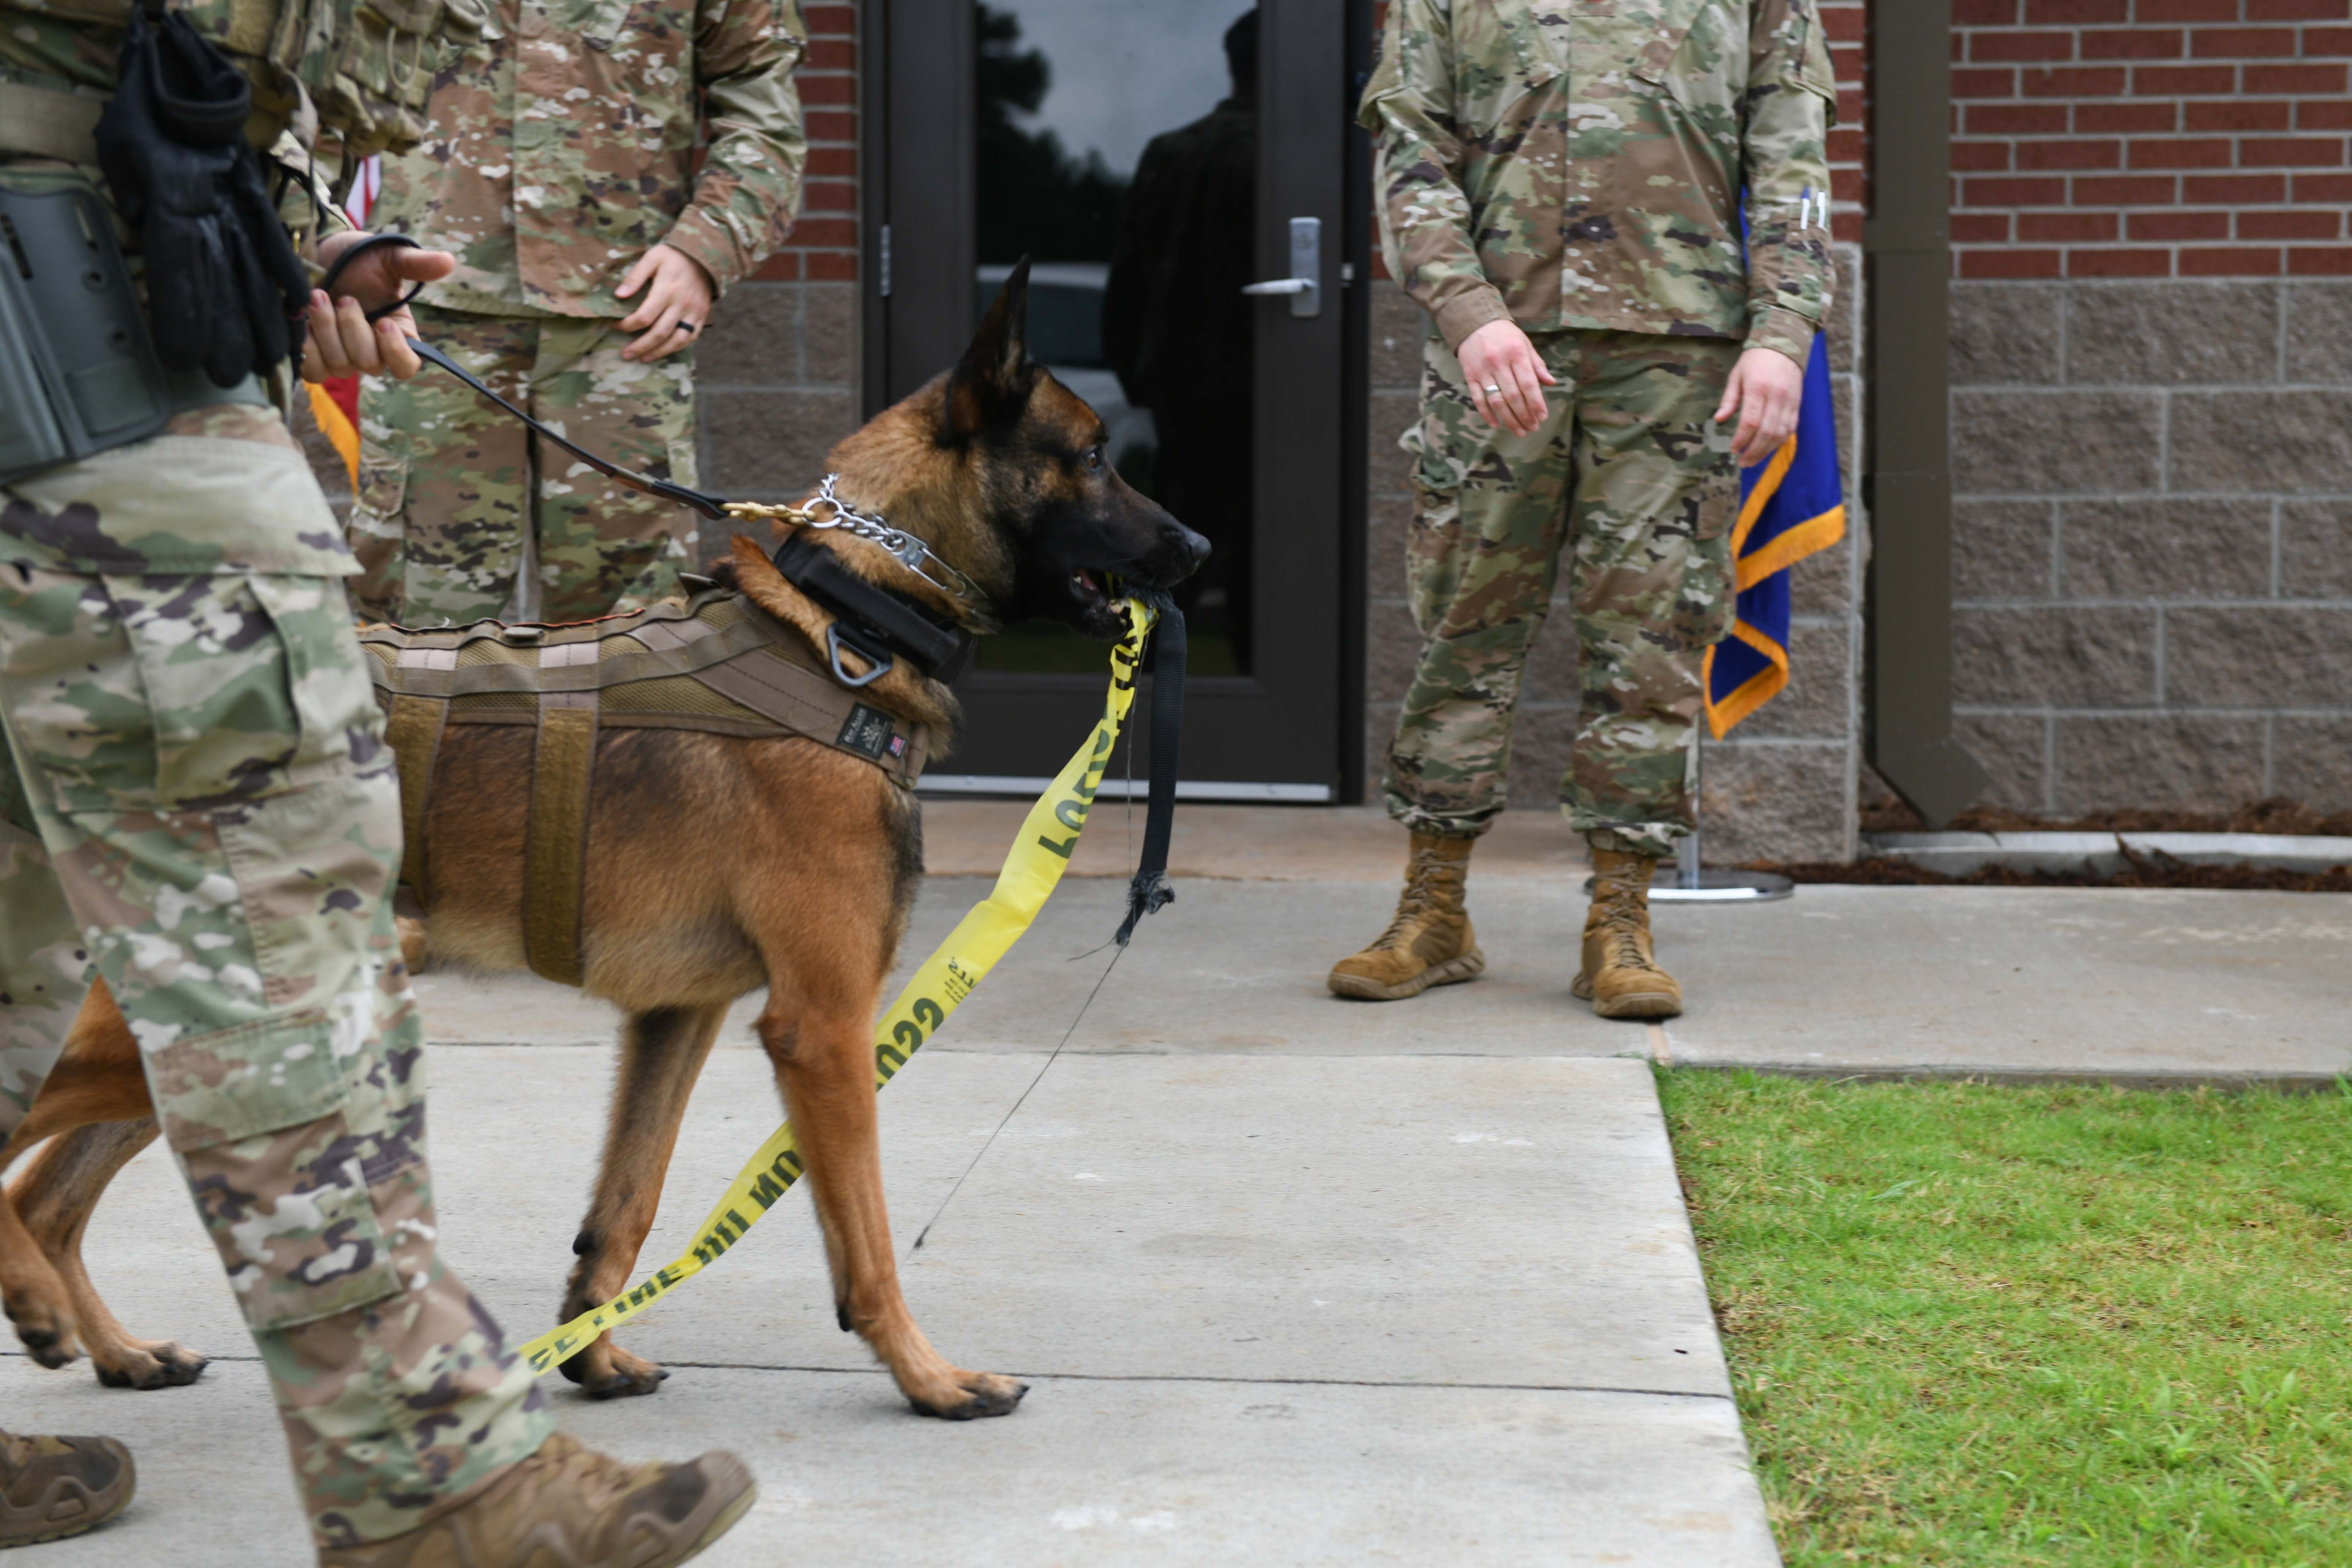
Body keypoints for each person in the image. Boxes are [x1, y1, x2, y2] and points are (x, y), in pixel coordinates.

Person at [0, 2, 751, 1559]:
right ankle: (429, 1484)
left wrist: (276, 262)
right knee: (273, 894)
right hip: (69, 354)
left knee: (14, 912)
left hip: (117, 282)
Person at [1332, 0, 1834, 1018]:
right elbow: (1411, 152)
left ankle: (1622, 923)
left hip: (1678, 361)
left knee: (1649, 645)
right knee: (1461, 636)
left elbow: (1792, 157)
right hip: (1497, 358)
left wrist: (1784, 332)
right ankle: (1434, 913)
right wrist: (1470, 317)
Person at [348, 0, 809, 627]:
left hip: (622, 330)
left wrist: (705, 250)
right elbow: (304, 87)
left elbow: (762, 109)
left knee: (633, 642)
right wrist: (320, 247)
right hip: (428, 320)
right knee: (410, 630)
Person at [1102, 7, 1258, 669]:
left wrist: (1139, 374)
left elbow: (1126, 285)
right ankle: (1257, 678)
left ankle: (1149, 686)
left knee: (1172, 547)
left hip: (1182, 389)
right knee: (1263, 549)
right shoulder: (1287, 158)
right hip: (1263, 387)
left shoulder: (1173, 153)